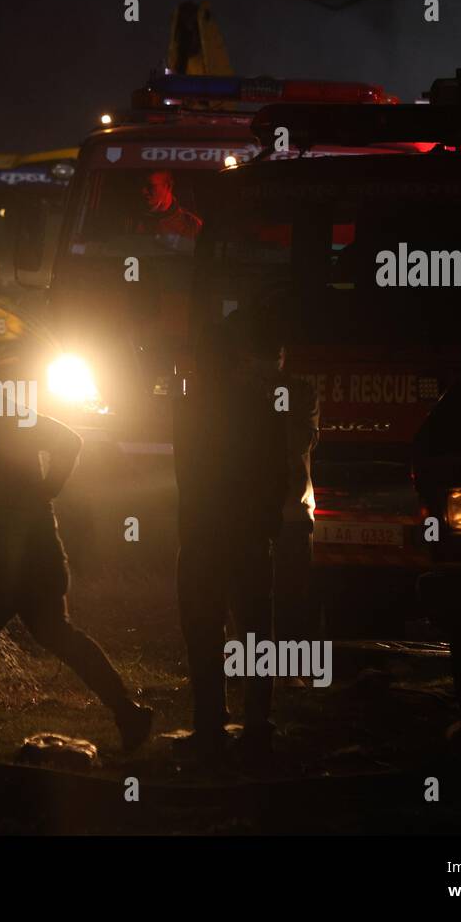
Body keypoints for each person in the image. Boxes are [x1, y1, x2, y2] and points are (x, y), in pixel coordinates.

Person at [0, 360, 153, 753]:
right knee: (55, 634)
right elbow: (64, 444)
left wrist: (48, 488)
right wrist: (42, 492)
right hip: (35, 549)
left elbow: (68, 442)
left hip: (13, 554)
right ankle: (128, 713)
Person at [173, 306, 286, 762]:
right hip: (249, 537)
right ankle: (256, 724)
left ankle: (210, 723)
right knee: (255, 631)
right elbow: (277, 473)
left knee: (203, 630)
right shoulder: (259, 409)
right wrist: (266, 524)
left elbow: (189, 477)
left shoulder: (190, 410)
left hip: (203, 536)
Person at [275, 341, 320, 648]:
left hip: (251, 510)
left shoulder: (240, 394)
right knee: (293, 589)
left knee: (251, 591)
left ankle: (253, 665)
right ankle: (288, 666)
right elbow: (306, 440)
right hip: (293, 507)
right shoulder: (303, 393)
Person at [127, 170, 202, 243]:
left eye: (150, 186)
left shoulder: (192, 225)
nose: (143, 191)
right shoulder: (129, 220)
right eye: (141, 184)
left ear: (169, 186)